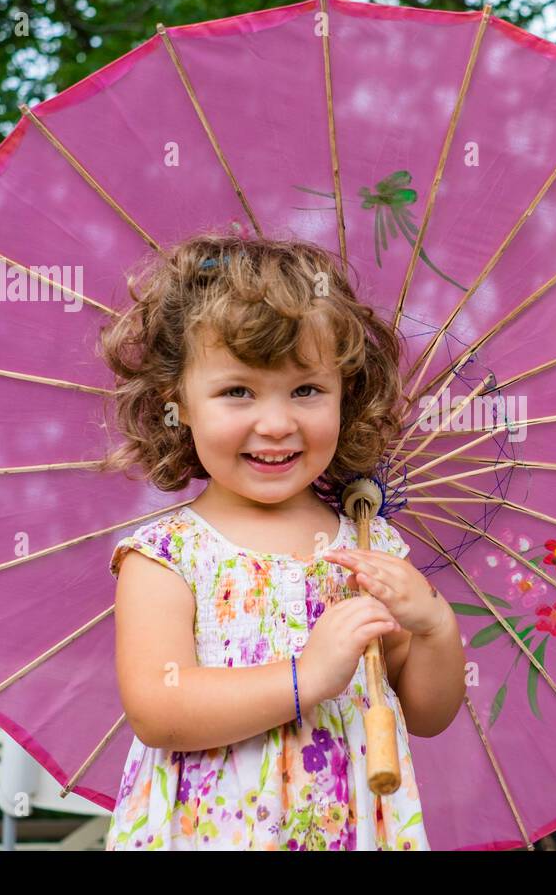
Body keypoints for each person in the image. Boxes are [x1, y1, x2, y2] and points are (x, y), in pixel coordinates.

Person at [93, 232, 466, 850]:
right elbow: (159, 708)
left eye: (306, 390)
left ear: (346, 393)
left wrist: (434, 629)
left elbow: (427, 714)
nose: (275, 423)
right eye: (237, 391)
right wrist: (306, 676)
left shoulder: (368, 545)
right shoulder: (167, 556)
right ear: (177, 402)